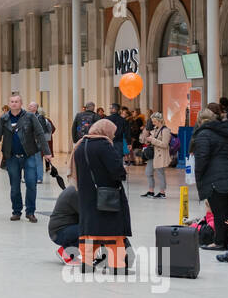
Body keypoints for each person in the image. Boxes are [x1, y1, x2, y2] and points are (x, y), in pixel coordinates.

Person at [0, 92, 52, 222]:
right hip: (12, 157)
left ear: (21, 104)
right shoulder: (4, 119)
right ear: (9, 104)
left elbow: (40, 134)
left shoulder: (30, 117)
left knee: (31, 184)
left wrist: (47, 152)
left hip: (29, 155)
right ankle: (16, 211)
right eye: (12, 101)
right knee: (14, 186)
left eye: (17, 101)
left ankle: (30, 212)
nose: (14, 103)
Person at [72, 118, 131, 264]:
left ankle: (86, 264)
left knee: (89, 232)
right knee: (112, 232)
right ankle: (116, 266)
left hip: (87, 196)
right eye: (112, 133)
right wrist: (123, 172)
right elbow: (117, 171)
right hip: (106, 196)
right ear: (106, 131)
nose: (113, 136)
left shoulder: (80, 145)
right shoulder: (104, 145)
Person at [190, 107, 228, 251]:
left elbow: (202, 159)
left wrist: (199, 178)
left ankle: (219, 242)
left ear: (200, 121)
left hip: (216, 181)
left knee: (218, 212)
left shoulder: (203, 135)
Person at [49, 184, 81, 264]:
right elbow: (87, 215)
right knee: (91, 230)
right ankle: (66, 252)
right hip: (59, 232)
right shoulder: (76, 192)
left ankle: (70, 250)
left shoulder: (76, 188)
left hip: (64, 229)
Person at [141, 113, 171, 199]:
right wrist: (148, 140)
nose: (153, 123)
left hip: (160, 155)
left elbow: (165, 144)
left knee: (160, 173)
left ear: (159, 120)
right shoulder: (155, 129)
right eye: (152, 121)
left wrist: (153, 140)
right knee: (148, 172)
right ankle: (151, 191)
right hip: (153, 154)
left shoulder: (165, 130)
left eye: (154, 121)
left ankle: (162, 192)